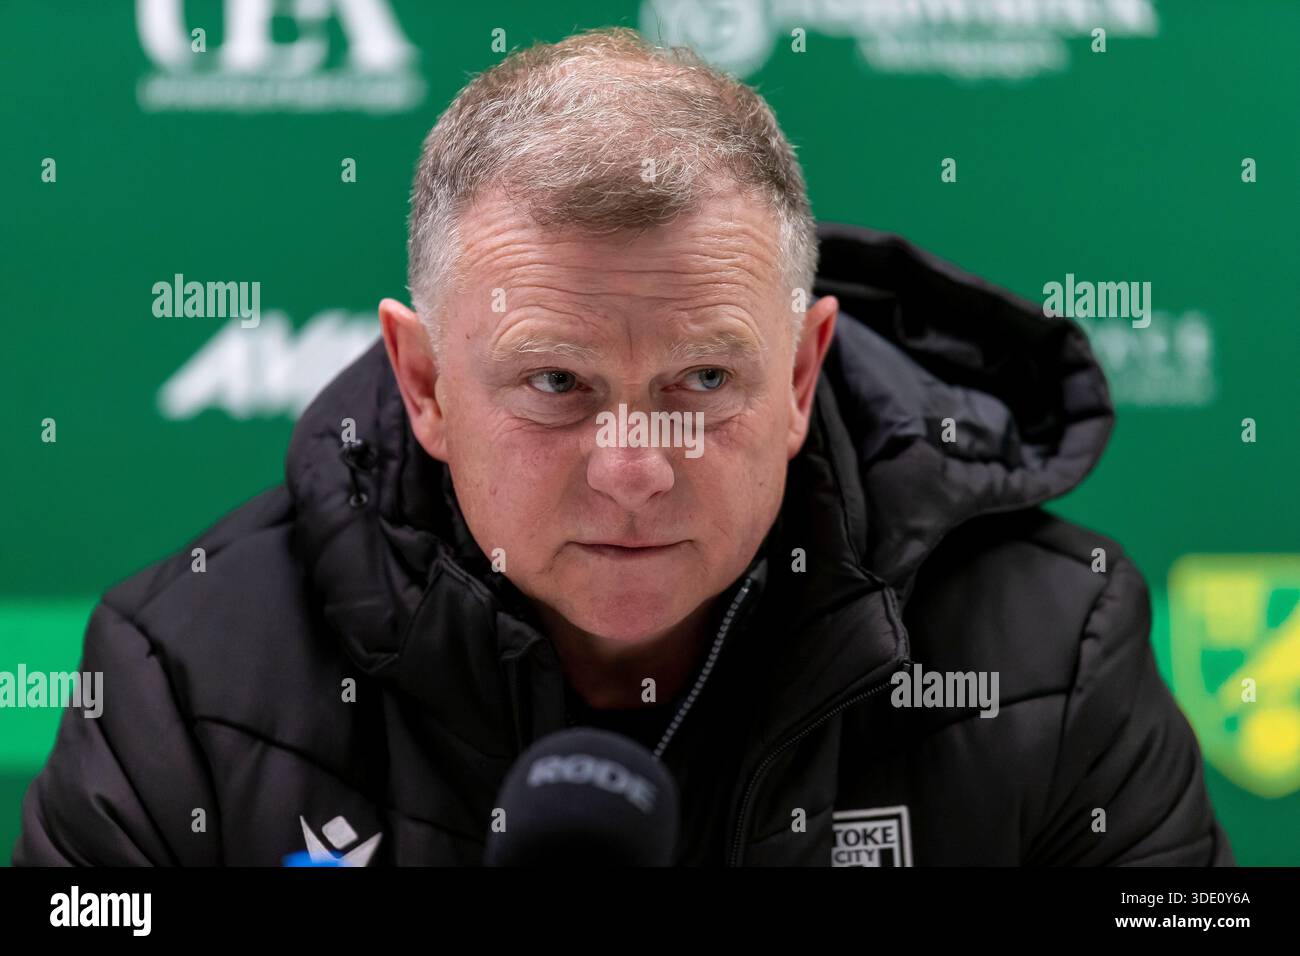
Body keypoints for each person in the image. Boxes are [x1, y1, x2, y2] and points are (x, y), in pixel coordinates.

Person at [14, 28, 1232, 866]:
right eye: (556, 384)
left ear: (804, 371)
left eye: (703, 380)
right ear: (425, 383)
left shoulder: (1052, 650)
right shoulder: (179, 681)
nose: (636, 467)